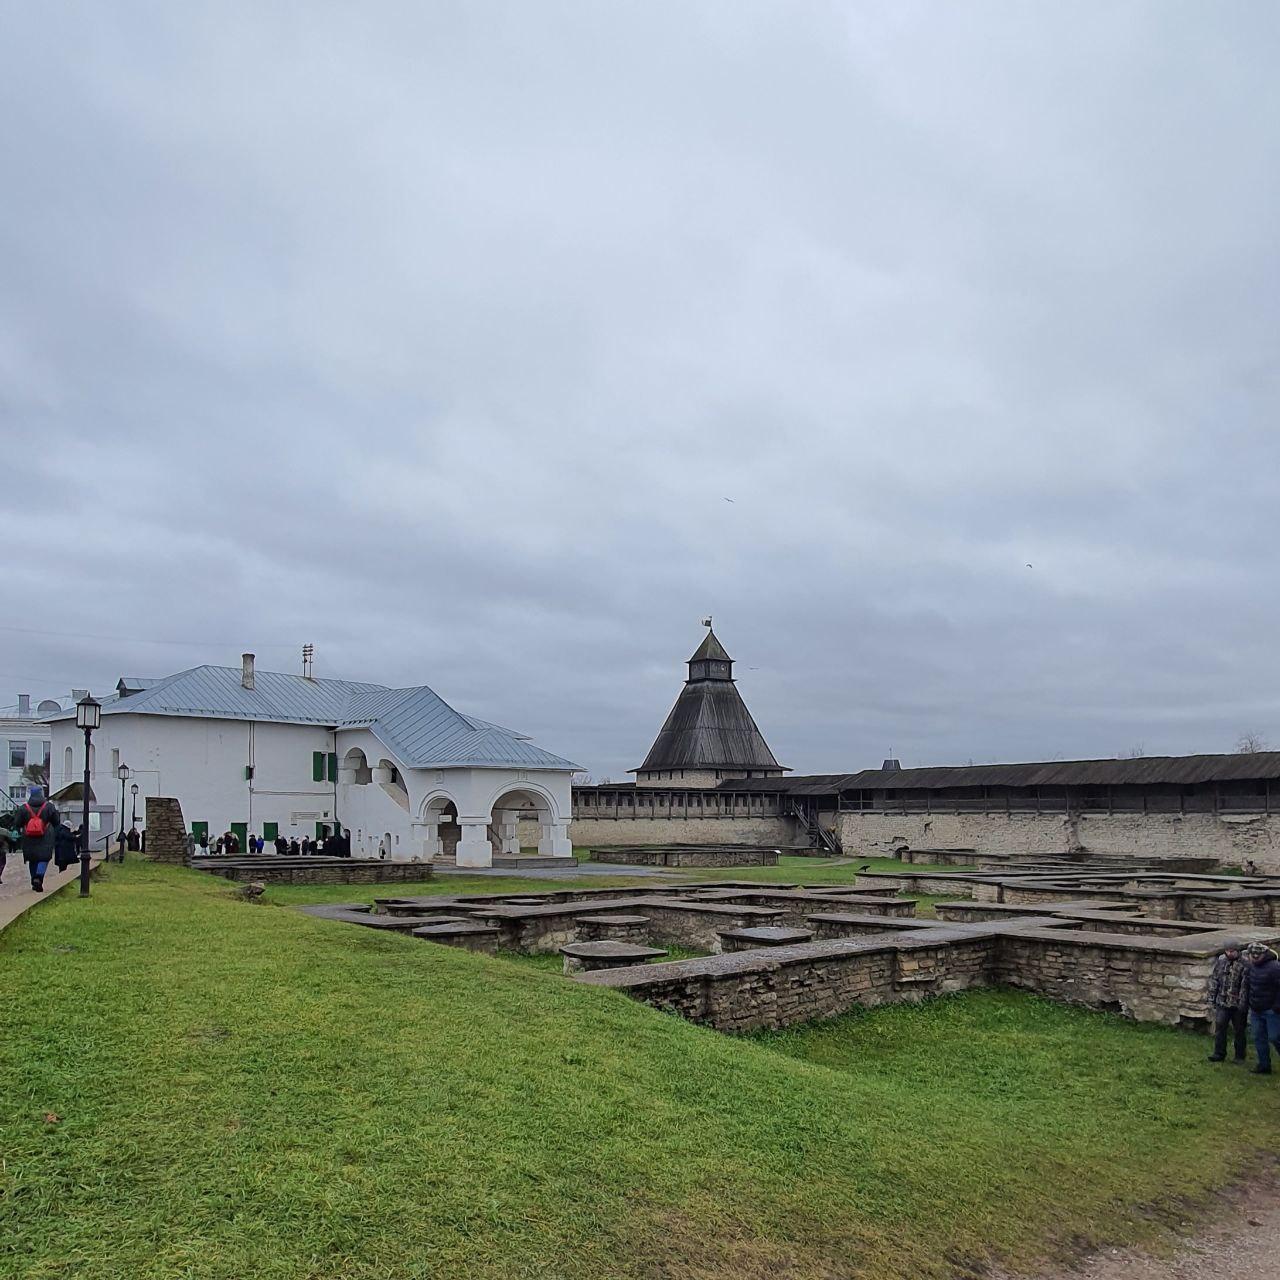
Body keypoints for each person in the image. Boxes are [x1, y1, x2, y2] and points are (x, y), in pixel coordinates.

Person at [7, 786, 60, 893]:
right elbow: (56, 821)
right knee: (43, 858)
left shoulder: (23, 808)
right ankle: (39, 877)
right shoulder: (49, 807)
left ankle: (34, 879)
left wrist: (17, 831)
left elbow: (17, 823)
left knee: (32, 859)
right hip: (46, 837)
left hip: (28, 838)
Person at [1206, 940, 1249, 1064]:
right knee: (1220, 1027)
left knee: (1239, 1030)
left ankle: (1239, 1056)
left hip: (1238, 1004)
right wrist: (1212, 998)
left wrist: (1243, 1003)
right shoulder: (1221, 962)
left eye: (1232, 951)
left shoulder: (1245, 964)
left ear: (1237, 951)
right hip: (1222, 1001)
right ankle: (1219, 1053)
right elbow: (1215, 980)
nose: (1229, 953)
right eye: (1227, 951)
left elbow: (1245, 986)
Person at [1243, 942, 1280, 1075]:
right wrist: (1247, 1002)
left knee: (1275, 1037)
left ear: (1264, 954)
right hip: (1256, 1009)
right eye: (1252, 955)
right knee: (1258, 1038)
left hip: (1272, 1010)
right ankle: (1264, 1066)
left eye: (1257, 956)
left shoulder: (1275, 967)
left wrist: (1277, 1006)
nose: (1255, 958)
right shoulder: (1250, 966)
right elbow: (1248, 985)